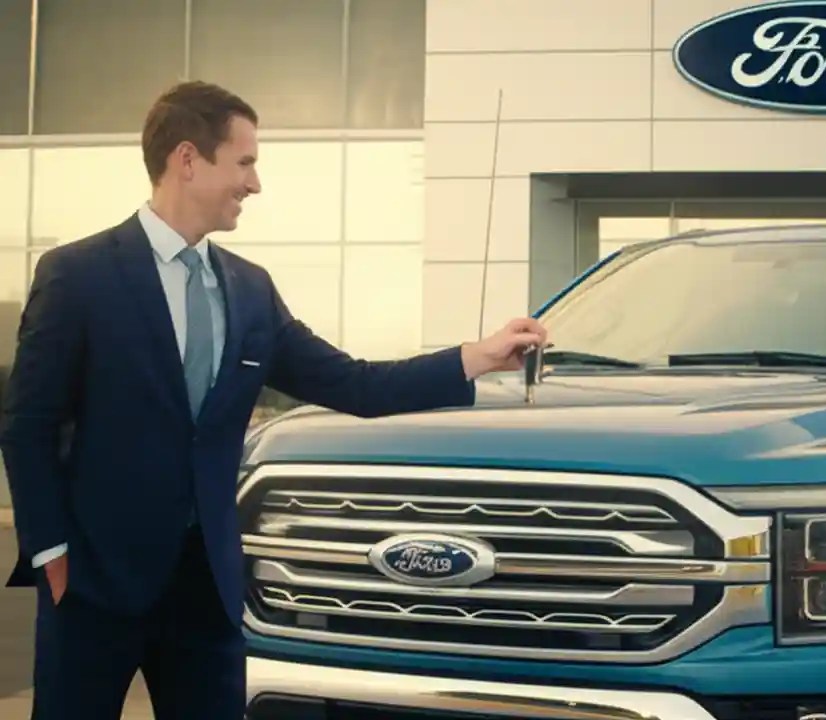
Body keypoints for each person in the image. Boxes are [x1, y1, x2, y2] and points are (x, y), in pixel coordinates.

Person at [0, 80, 546, 720]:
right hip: (93, 586)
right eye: (245, 162)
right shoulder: (78, 275)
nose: (254, 184)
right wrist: (51, 556)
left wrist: (476, 356)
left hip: (208, 593)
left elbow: (355, 384)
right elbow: (27, 424)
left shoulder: (250, 290)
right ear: (187, 159)